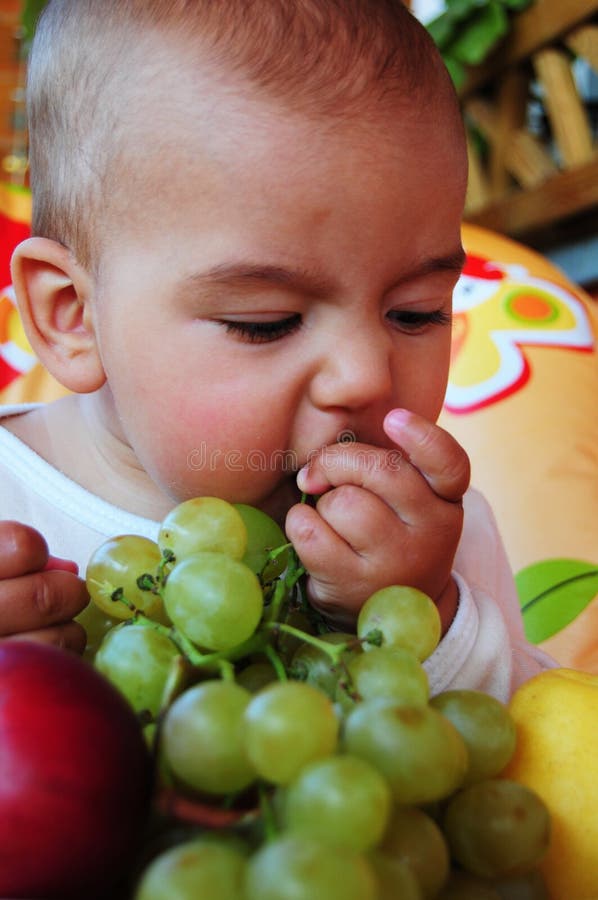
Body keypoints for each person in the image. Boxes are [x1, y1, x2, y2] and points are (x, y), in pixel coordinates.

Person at [0, 0, 552, 700]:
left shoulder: (436, 535)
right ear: (74, 315)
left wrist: (433, 621)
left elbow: (538, 759)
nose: (364, 375)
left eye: (416, 312)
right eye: (267, 323)